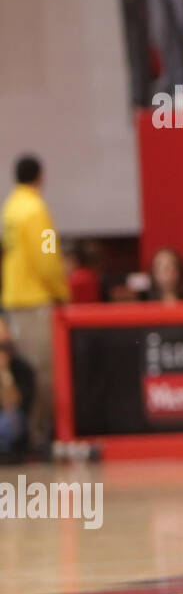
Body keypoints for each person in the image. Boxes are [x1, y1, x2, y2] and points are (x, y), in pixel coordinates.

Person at [1, 156, 69, 455]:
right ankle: (39, 437)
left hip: (14, 300)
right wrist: (60, 290)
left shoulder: (10, 210)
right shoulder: (37, 210)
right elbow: (47, 256)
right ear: (39, 177)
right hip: (36, 301)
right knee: (42, 372)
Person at [0, 315, 37, 464]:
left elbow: (14, 407)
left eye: (5, 346)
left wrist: (5, 374)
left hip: (11, 427)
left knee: (10, 422)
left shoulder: (22, 369)